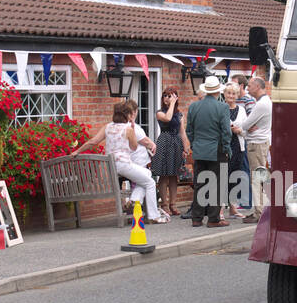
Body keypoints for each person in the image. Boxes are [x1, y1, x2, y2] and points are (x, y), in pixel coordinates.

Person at [72, 101, 165, 223]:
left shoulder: (107, 127)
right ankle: (154, 216)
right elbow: (134, 147)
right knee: (150, 183)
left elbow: (93, 141)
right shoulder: (128, 129)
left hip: (111, 166)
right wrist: (131, 132)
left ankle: (135, 199)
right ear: (127, 115)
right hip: (124, 165)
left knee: (146, 175)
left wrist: (77, 151)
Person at [185, 75, 231, 228]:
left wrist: (194, 144)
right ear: (218, 91)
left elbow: (189, 130)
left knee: (199, 183)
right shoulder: (222, 107)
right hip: (216, 149)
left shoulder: (193, 106)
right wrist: (226, 148)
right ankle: (213, 219)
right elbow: (226, 132)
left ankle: (196, 218)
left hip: (199, 149)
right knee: (217, 185)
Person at [150, 88, 190, 216]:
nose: (167, 98)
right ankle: (164, 204)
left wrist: (186, 147)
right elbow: (167, 118)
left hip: (176, 143)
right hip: (164, 142)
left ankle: (173, 204)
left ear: (176, 98)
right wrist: (172, 103)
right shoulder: (160, 113)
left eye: (170, 96)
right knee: (164, 175)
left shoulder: (179, 114)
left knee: (174, 175)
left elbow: (182, 132)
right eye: (165, 96)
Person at [239, 76, 273, 223]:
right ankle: (264, 210)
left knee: (257, 179)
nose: (247, 88)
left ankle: (260, 212)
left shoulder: (261, 105)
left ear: (258, 87)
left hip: (256, 145)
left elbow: (245, 125)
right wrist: (246, 129)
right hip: (261, 142)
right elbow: (247, 127)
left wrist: (244, 129)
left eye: (250, 85)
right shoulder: (266, 102)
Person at [223, 83, 250, 217]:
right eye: (228, 93)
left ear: (237, 95)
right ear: (224, 94)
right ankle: (221, 209)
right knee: (223, 176)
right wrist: (229, 130)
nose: (231, 96)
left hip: (239, 147)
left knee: (235, 177)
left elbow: (246, 130)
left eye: (233, 93)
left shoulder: (241, 110)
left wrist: (239, 131)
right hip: (224, 147)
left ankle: (233, 208)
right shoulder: (220, 109)